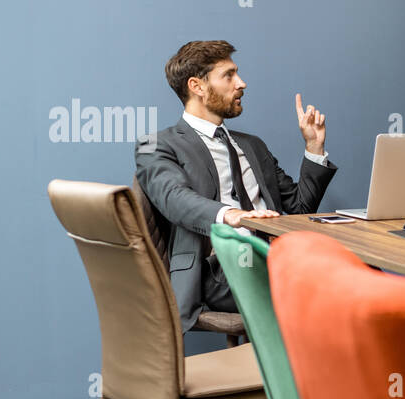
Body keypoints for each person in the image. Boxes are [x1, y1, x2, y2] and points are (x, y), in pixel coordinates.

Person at [135, 40, 335, 330]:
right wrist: (230, 215)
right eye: (228, 75)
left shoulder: (253, 146)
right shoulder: (156, 145)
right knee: (333, 286)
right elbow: (173, 198)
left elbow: (300, 207)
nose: (241, 83)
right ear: (197, 86)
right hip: (218, 270)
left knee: (362, 272)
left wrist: (314, 147)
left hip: (276, 257)